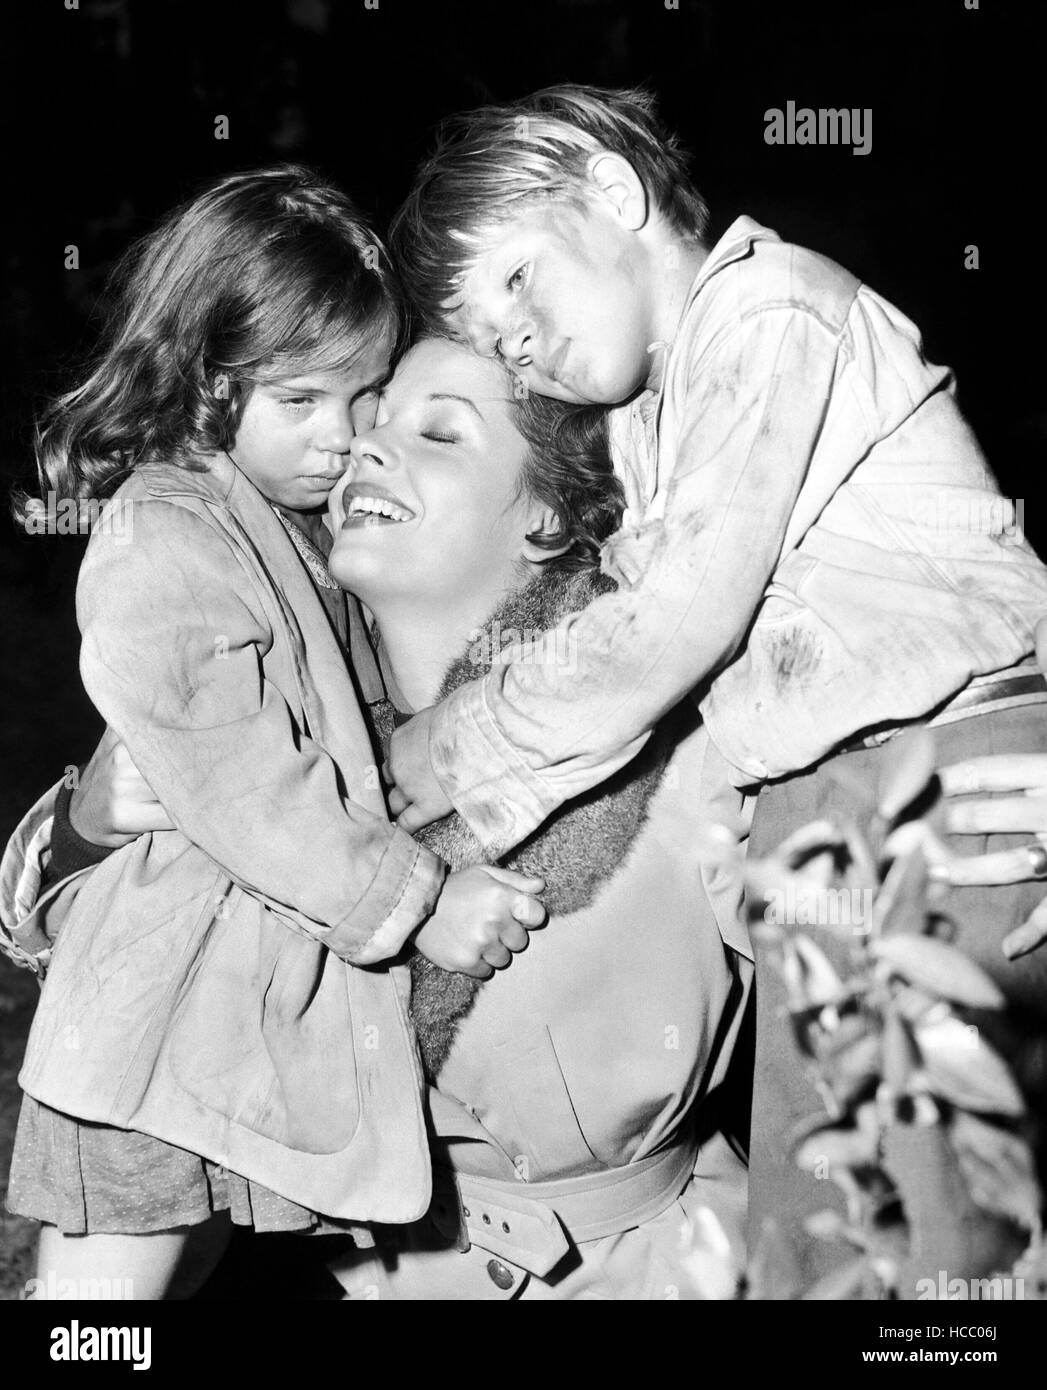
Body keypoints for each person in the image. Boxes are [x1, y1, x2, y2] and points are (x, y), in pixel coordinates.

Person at [381, 84, 1047, 1285]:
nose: (515, 341)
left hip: (937, 770)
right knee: (836, 1247)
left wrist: (427, 761)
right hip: (826, 816)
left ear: (615, 191)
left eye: (518, 282)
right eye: (493, 337)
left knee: (930, 1251)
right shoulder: (647, 419)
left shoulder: (769, 310)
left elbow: (663, 634)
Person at [6, 336, 755, 1300]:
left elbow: (884, 966)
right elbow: (84, 955)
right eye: (369, 419)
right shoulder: (278, 721)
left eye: (438, 433)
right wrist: (85, 825)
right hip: (339, 1265)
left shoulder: (678, 746)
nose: (364, 448)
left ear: (547, 512)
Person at [0, 167, 544, 1300]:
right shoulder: (167, 533)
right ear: (205, 384)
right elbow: (257, 784)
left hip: (237, 1039)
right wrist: (423, 902)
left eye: (365, 399)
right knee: (94, 1321)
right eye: (303, 402)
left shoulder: (292, 530)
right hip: (151, 1044)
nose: (345, 439)